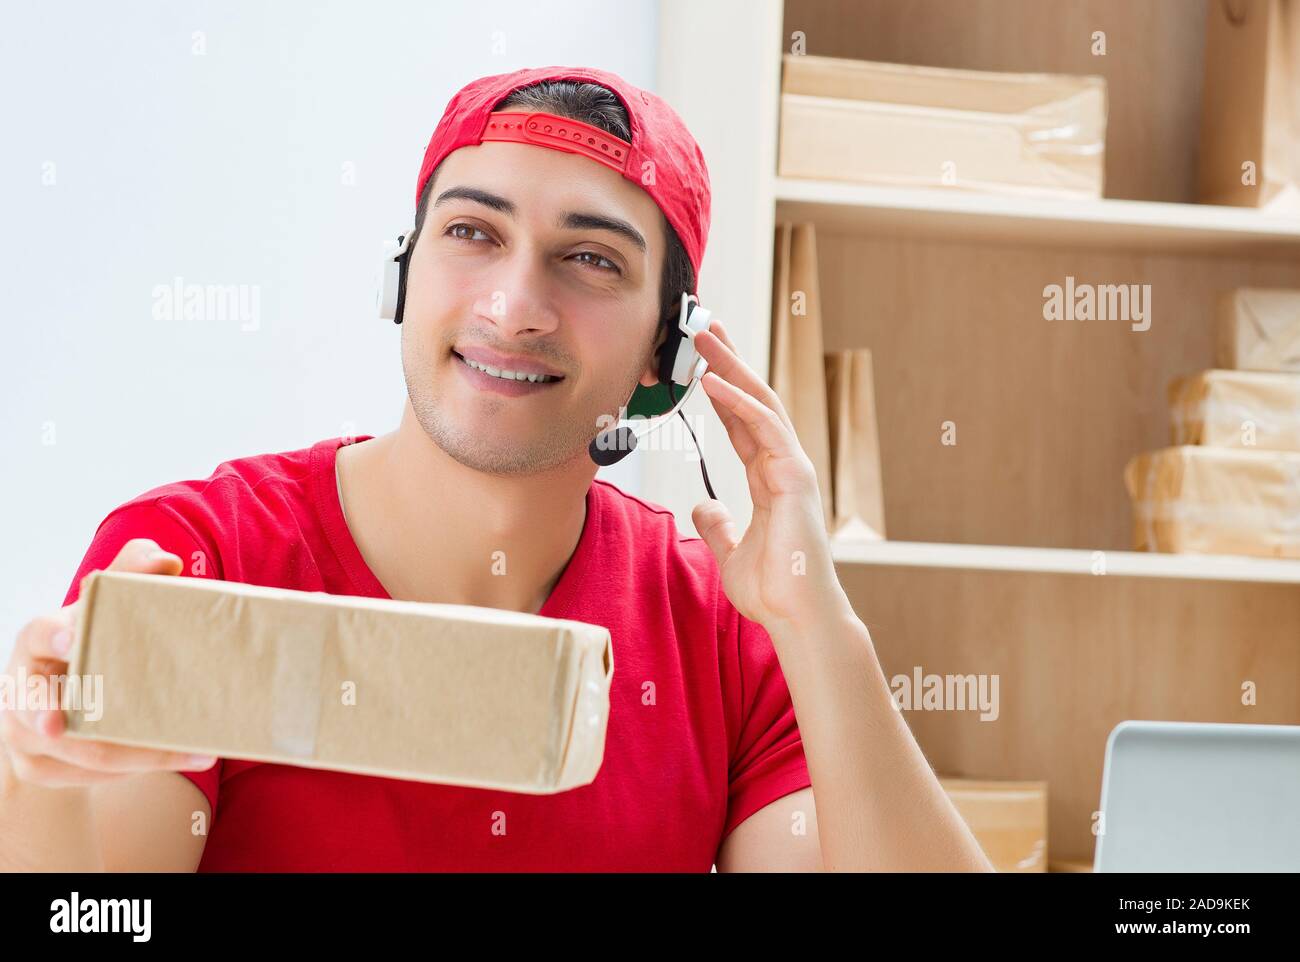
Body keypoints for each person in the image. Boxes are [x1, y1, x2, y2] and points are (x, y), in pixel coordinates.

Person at [0, 66, 992, 872]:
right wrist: (32, 771)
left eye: (591, 259)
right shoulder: (198, 556)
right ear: (405, 272)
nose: (513, 304)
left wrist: (824, 624)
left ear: (664, 355)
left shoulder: (730, 629)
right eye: (473, 232)